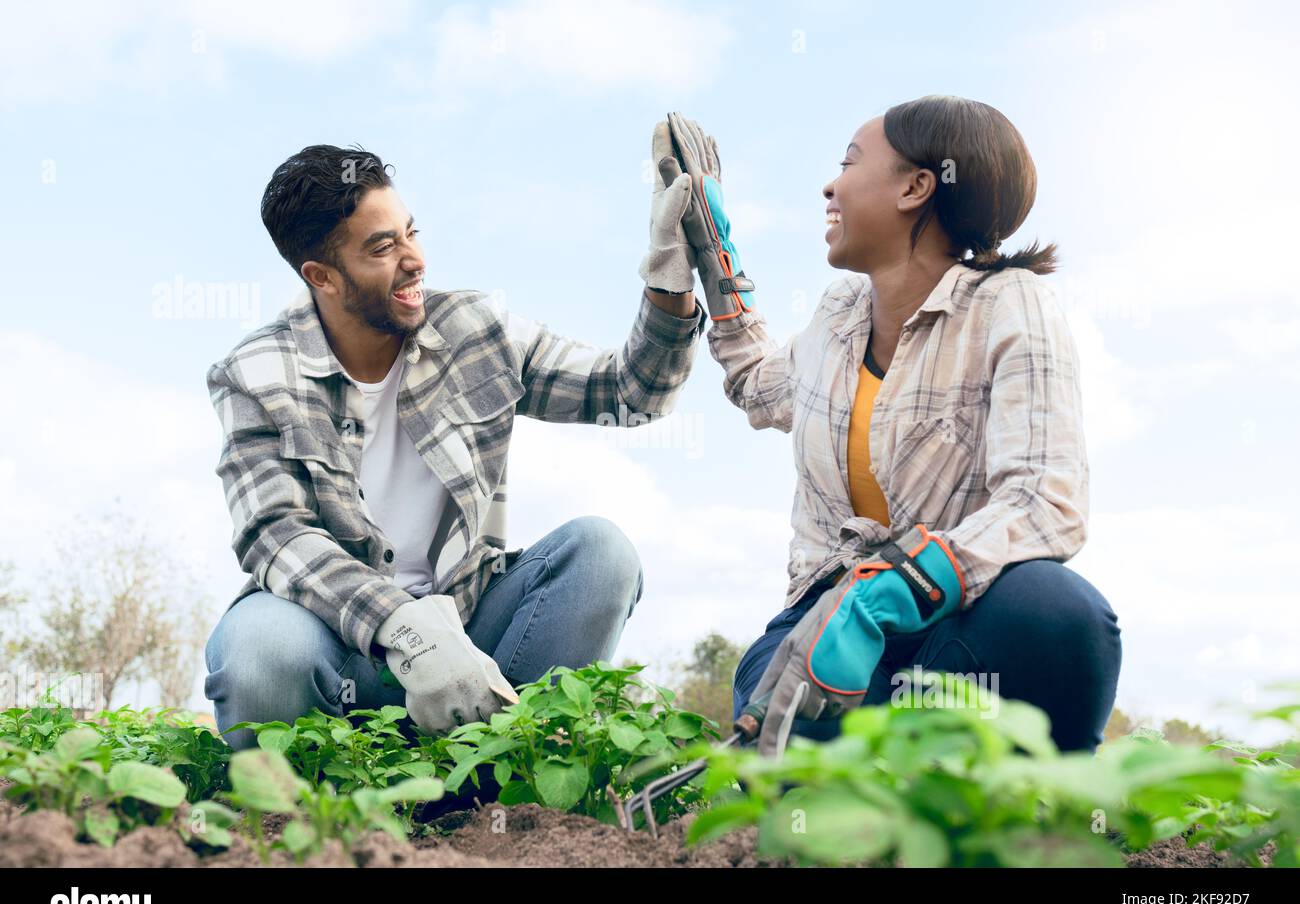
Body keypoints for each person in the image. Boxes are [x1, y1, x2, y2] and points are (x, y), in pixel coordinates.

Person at [204, 142, 705, 750]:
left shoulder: (477, 331)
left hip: (472, 642)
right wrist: (405, 628)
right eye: (383, 248)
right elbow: (274, 533)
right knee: (262, 649)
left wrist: (668, 277)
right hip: (336, 650)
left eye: (410, 233)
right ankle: (312, 809)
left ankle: (492, 783)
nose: (414, 260)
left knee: (601, 552)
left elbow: (631, 391)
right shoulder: (255, 373)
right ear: (323, 277)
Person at [663, 98, 1121, 754]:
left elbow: (1045, 503)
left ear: (915, 187)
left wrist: (894, 588)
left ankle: (1033, 806)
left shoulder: (1010, 306)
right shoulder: (838, 316)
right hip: (828, 631)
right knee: (788, 741)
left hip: (959, 631)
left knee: (1060, 615)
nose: (831, 185)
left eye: (849, 162)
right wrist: (714, 257)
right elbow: (756, 386)